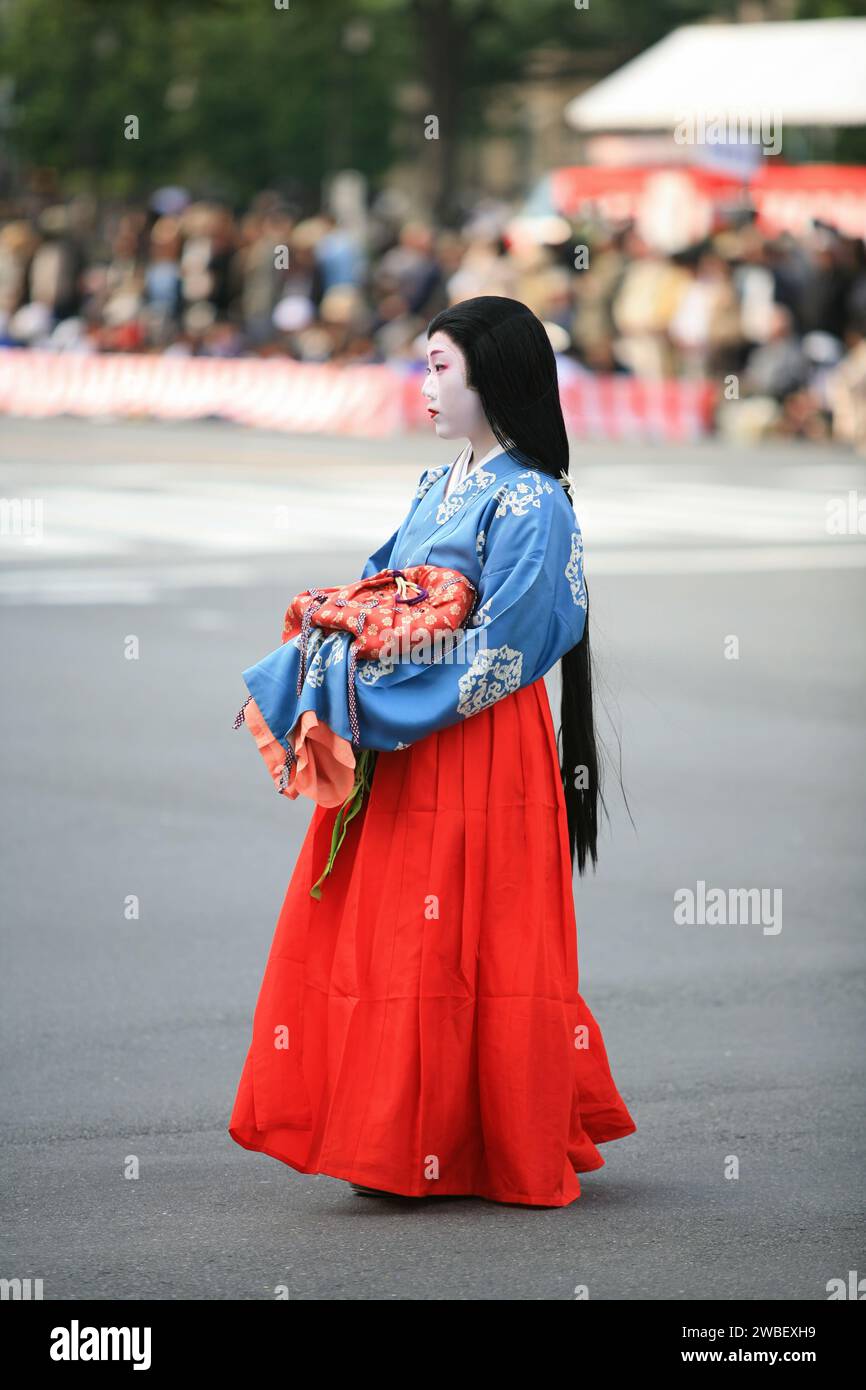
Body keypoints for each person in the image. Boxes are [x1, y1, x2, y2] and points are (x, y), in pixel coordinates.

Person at [228, 295, 637, 1207]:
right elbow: (386, 589)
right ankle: (407, 1132)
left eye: (441, 366)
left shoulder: (533, 498)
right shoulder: (441, 483)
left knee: (461, 940)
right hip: (412, 739)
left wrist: (373, 696)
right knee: (399, 938)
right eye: (425, 365)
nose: (426, 384)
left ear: (495, 377)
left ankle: (454, 1138)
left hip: (479, 746)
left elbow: (508, 649)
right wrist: (338, 647)